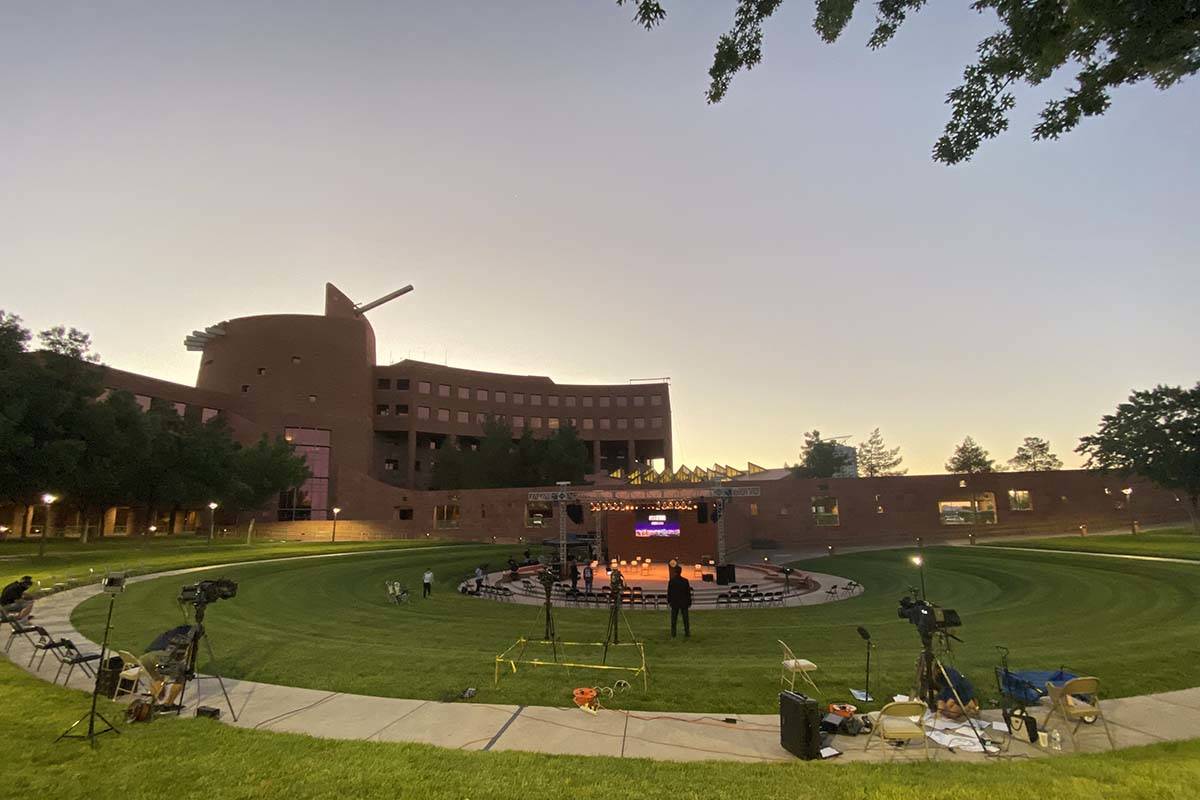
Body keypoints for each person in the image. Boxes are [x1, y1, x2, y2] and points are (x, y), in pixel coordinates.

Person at [666, 565, 691, 638]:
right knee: (685, 619)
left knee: (674, 619)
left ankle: (673, 633)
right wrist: (689, 601)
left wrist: (669, 601)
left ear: (675, 572)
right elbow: (688, 592)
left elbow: (669, 592)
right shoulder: (685, 581)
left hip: (675, 602)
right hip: (684, 602)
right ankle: (687, 633)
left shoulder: (672, 581)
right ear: (681, 572)